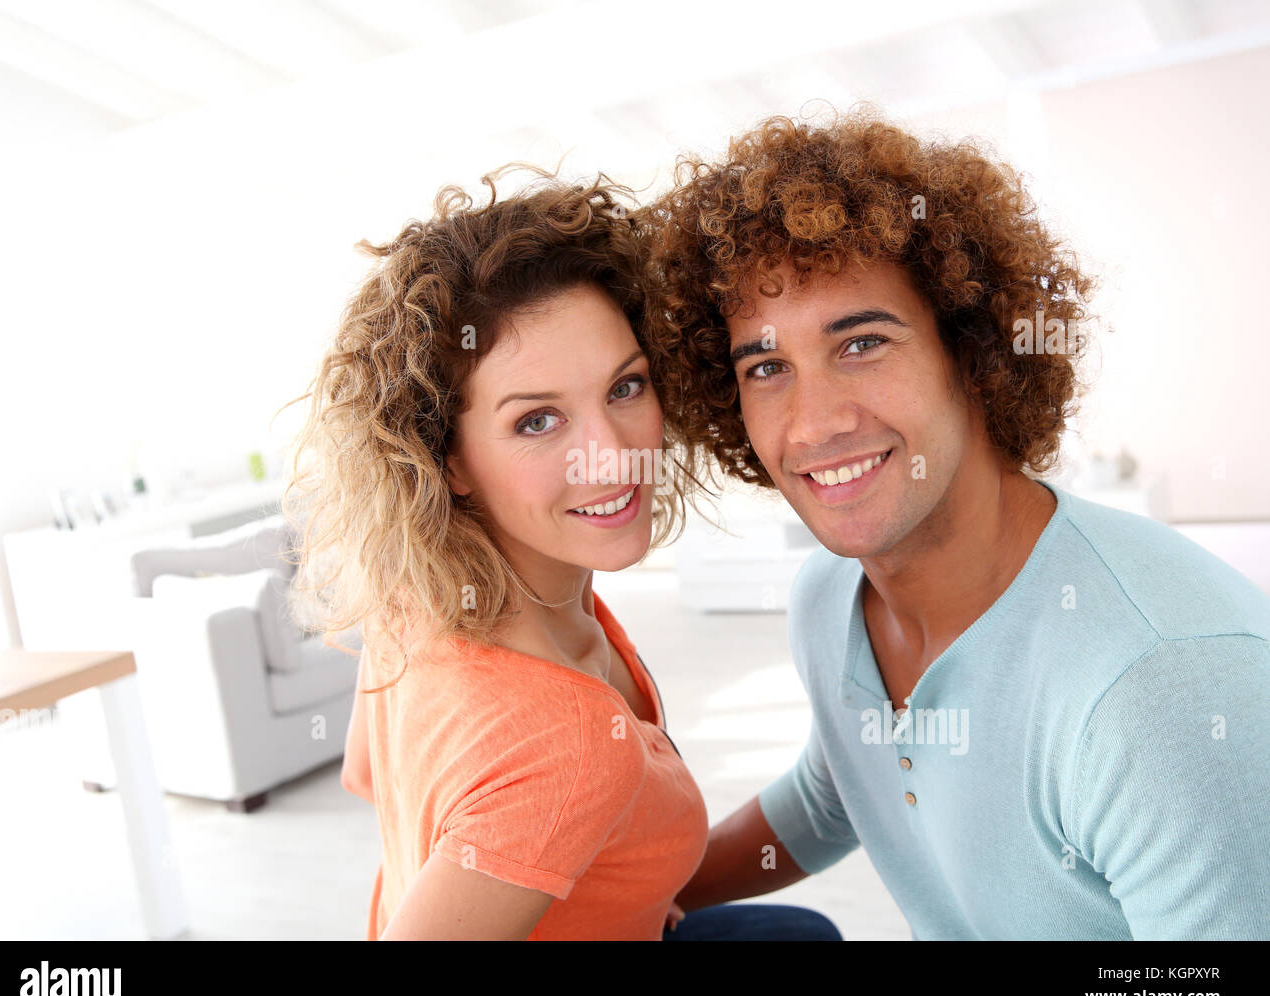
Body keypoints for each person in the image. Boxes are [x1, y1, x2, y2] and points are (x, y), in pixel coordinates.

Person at [639, 109, 1270, 939]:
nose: (815, 422)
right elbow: (840, 790)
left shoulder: (1157, 692)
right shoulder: (829, 600)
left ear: (973, 352)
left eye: (861, 342)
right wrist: (624, 900)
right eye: (766, 365)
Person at [280, 165, 842, 941]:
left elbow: (372, 772)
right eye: (536, 421)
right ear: (445, 457)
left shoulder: (421, 596)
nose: (610, 458)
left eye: (625, 387)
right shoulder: (565, 747)